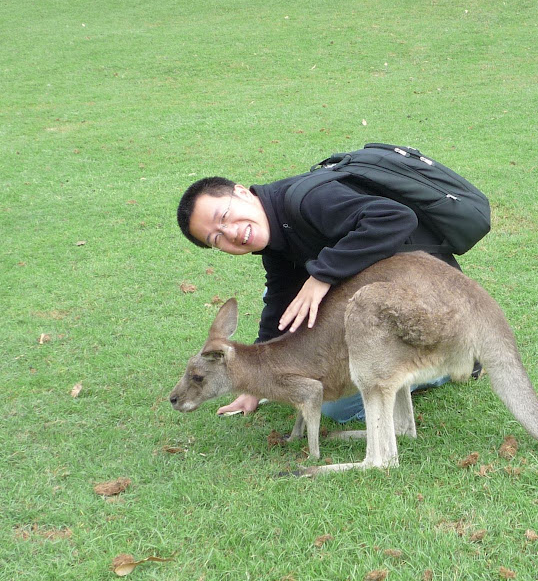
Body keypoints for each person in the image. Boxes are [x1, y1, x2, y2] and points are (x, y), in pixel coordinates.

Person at [176, 172, 468, 421]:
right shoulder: (274, 237)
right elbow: (279, 302)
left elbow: (397, 218)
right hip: (392, 299)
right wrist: (253, 382)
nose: (232, 233)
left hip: (432, 307)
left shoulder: (308, 200)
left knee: (337, 405)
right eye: (217, 238)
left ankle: (444, 367)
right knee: (294, 300)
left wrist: (322, 275)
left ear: (241, 192)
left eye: (224, 216)